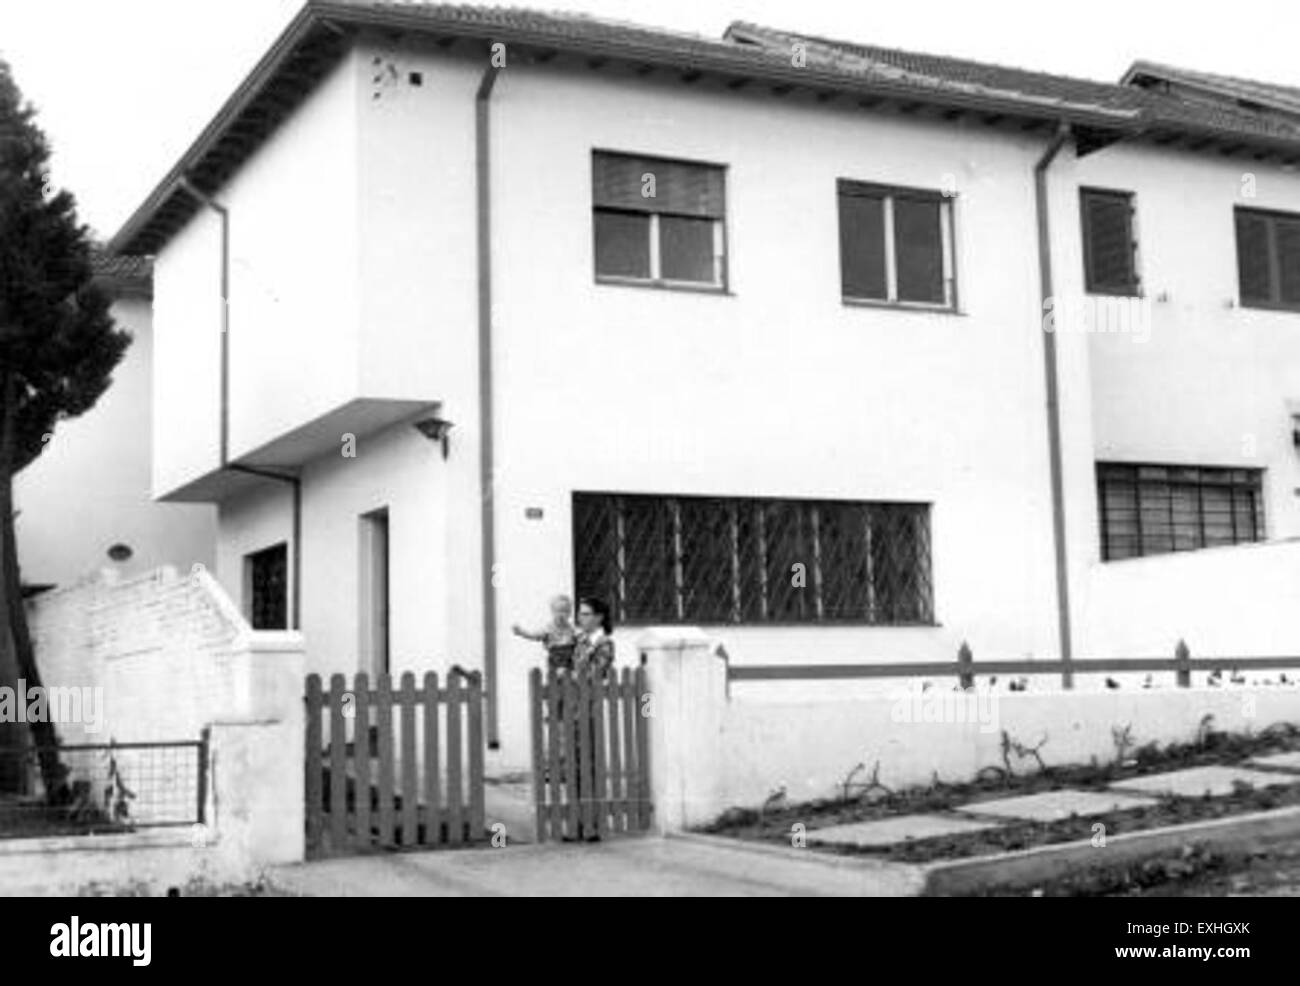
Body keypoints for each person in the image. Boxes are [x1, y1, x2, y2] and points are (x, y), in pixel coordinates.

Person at [512, 595, 577, 671]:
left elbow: (582, 639)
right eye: (558, 611)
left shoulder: (571, 629)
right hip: (555, 661)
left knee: (570, 676)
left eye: (565, 611)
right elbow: (535, 636)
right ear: (553, 612)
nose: (561, 614)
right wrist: (522, 633)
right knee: (556, 676)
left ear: (570, 613)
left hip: (569, 662)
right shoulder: (548, 629)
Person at [573, 596, 615, 676]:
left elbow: (597, 672)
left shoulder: (605, 643)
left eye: (585, 614)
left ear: (599, 617)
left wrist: (571, 674)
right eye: (579, 614)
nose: (580, 618)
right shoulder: (578, 638)